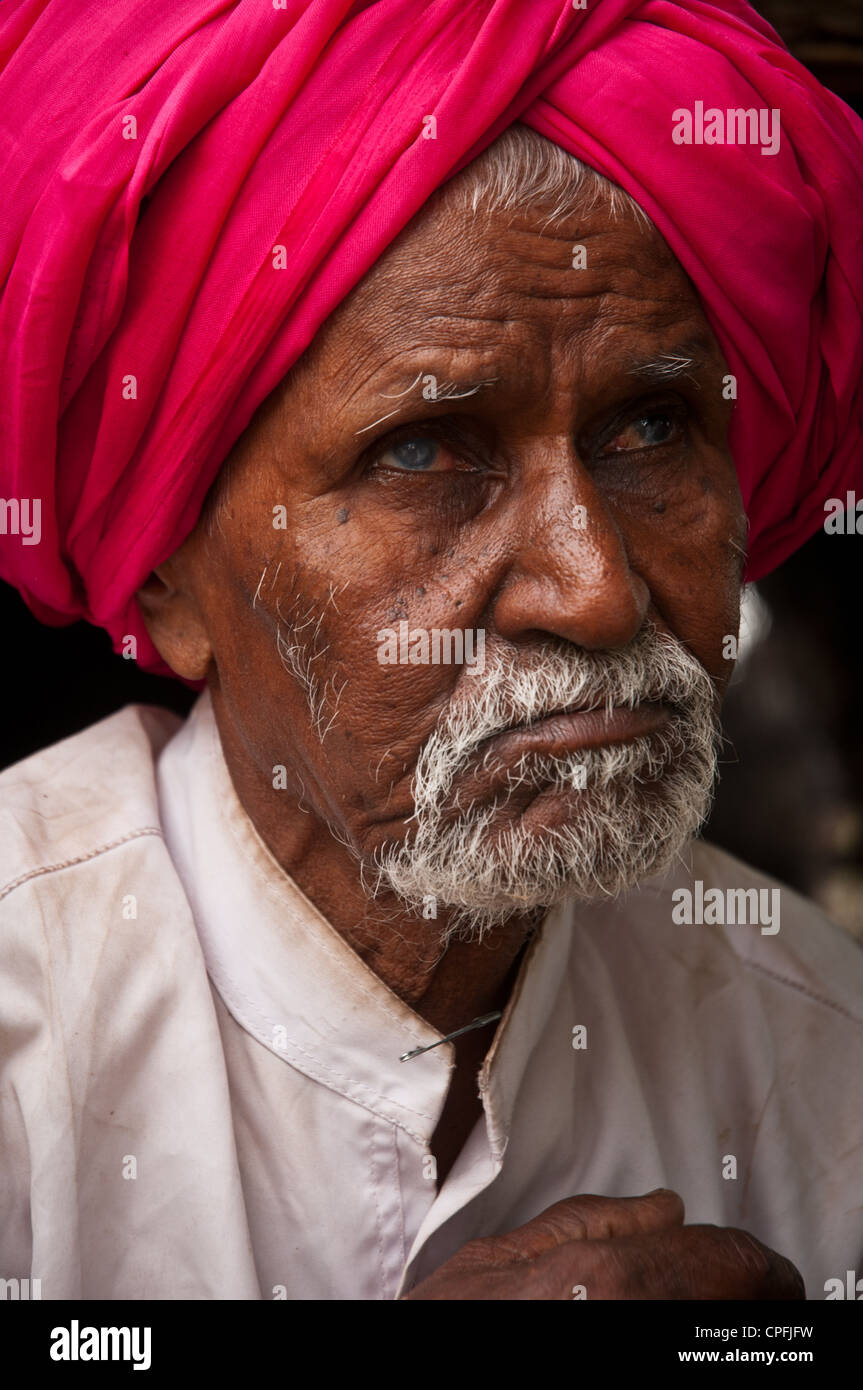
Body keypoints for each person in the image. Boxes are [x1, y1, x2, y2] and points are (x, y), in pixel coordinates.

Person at [0, 0, 861, 1301]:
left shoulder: (822, 1054)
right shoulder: (24, 1032)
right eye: (424, 450)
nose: (595, 591)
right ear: (170, 573)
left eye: (647, 428)